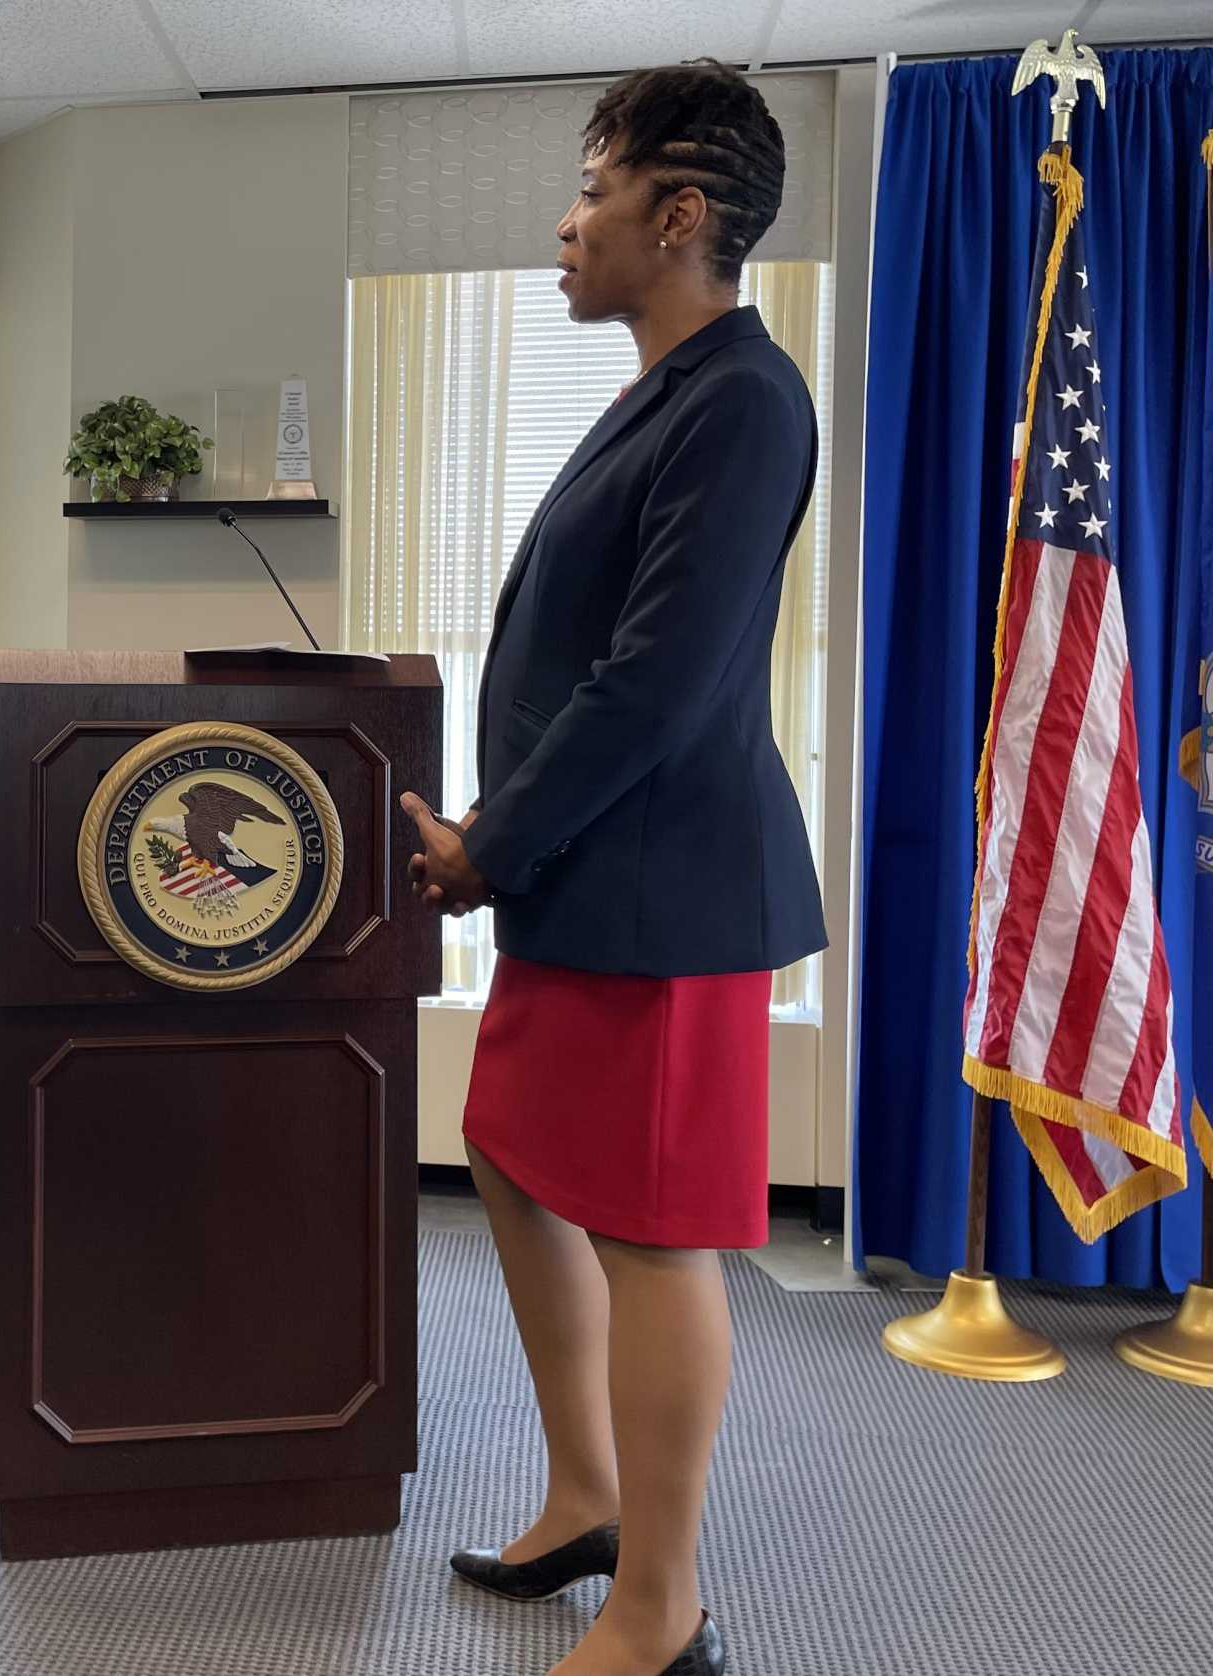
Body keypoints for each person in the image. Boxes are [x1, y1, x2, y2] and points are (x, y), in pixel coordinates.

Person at [400, 62, 826, 1676]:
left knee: (656, 1234)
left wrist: (491, 847)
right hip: (592, 884)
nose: (565, 226)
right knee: (513, 1154)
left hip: (663, 898)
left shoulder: (746, 398)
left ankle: (664, 1606)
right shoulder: (669, 387)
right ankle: (588, 1497)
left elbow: (654, 682)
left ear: (682, 215)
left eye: (590, 193)